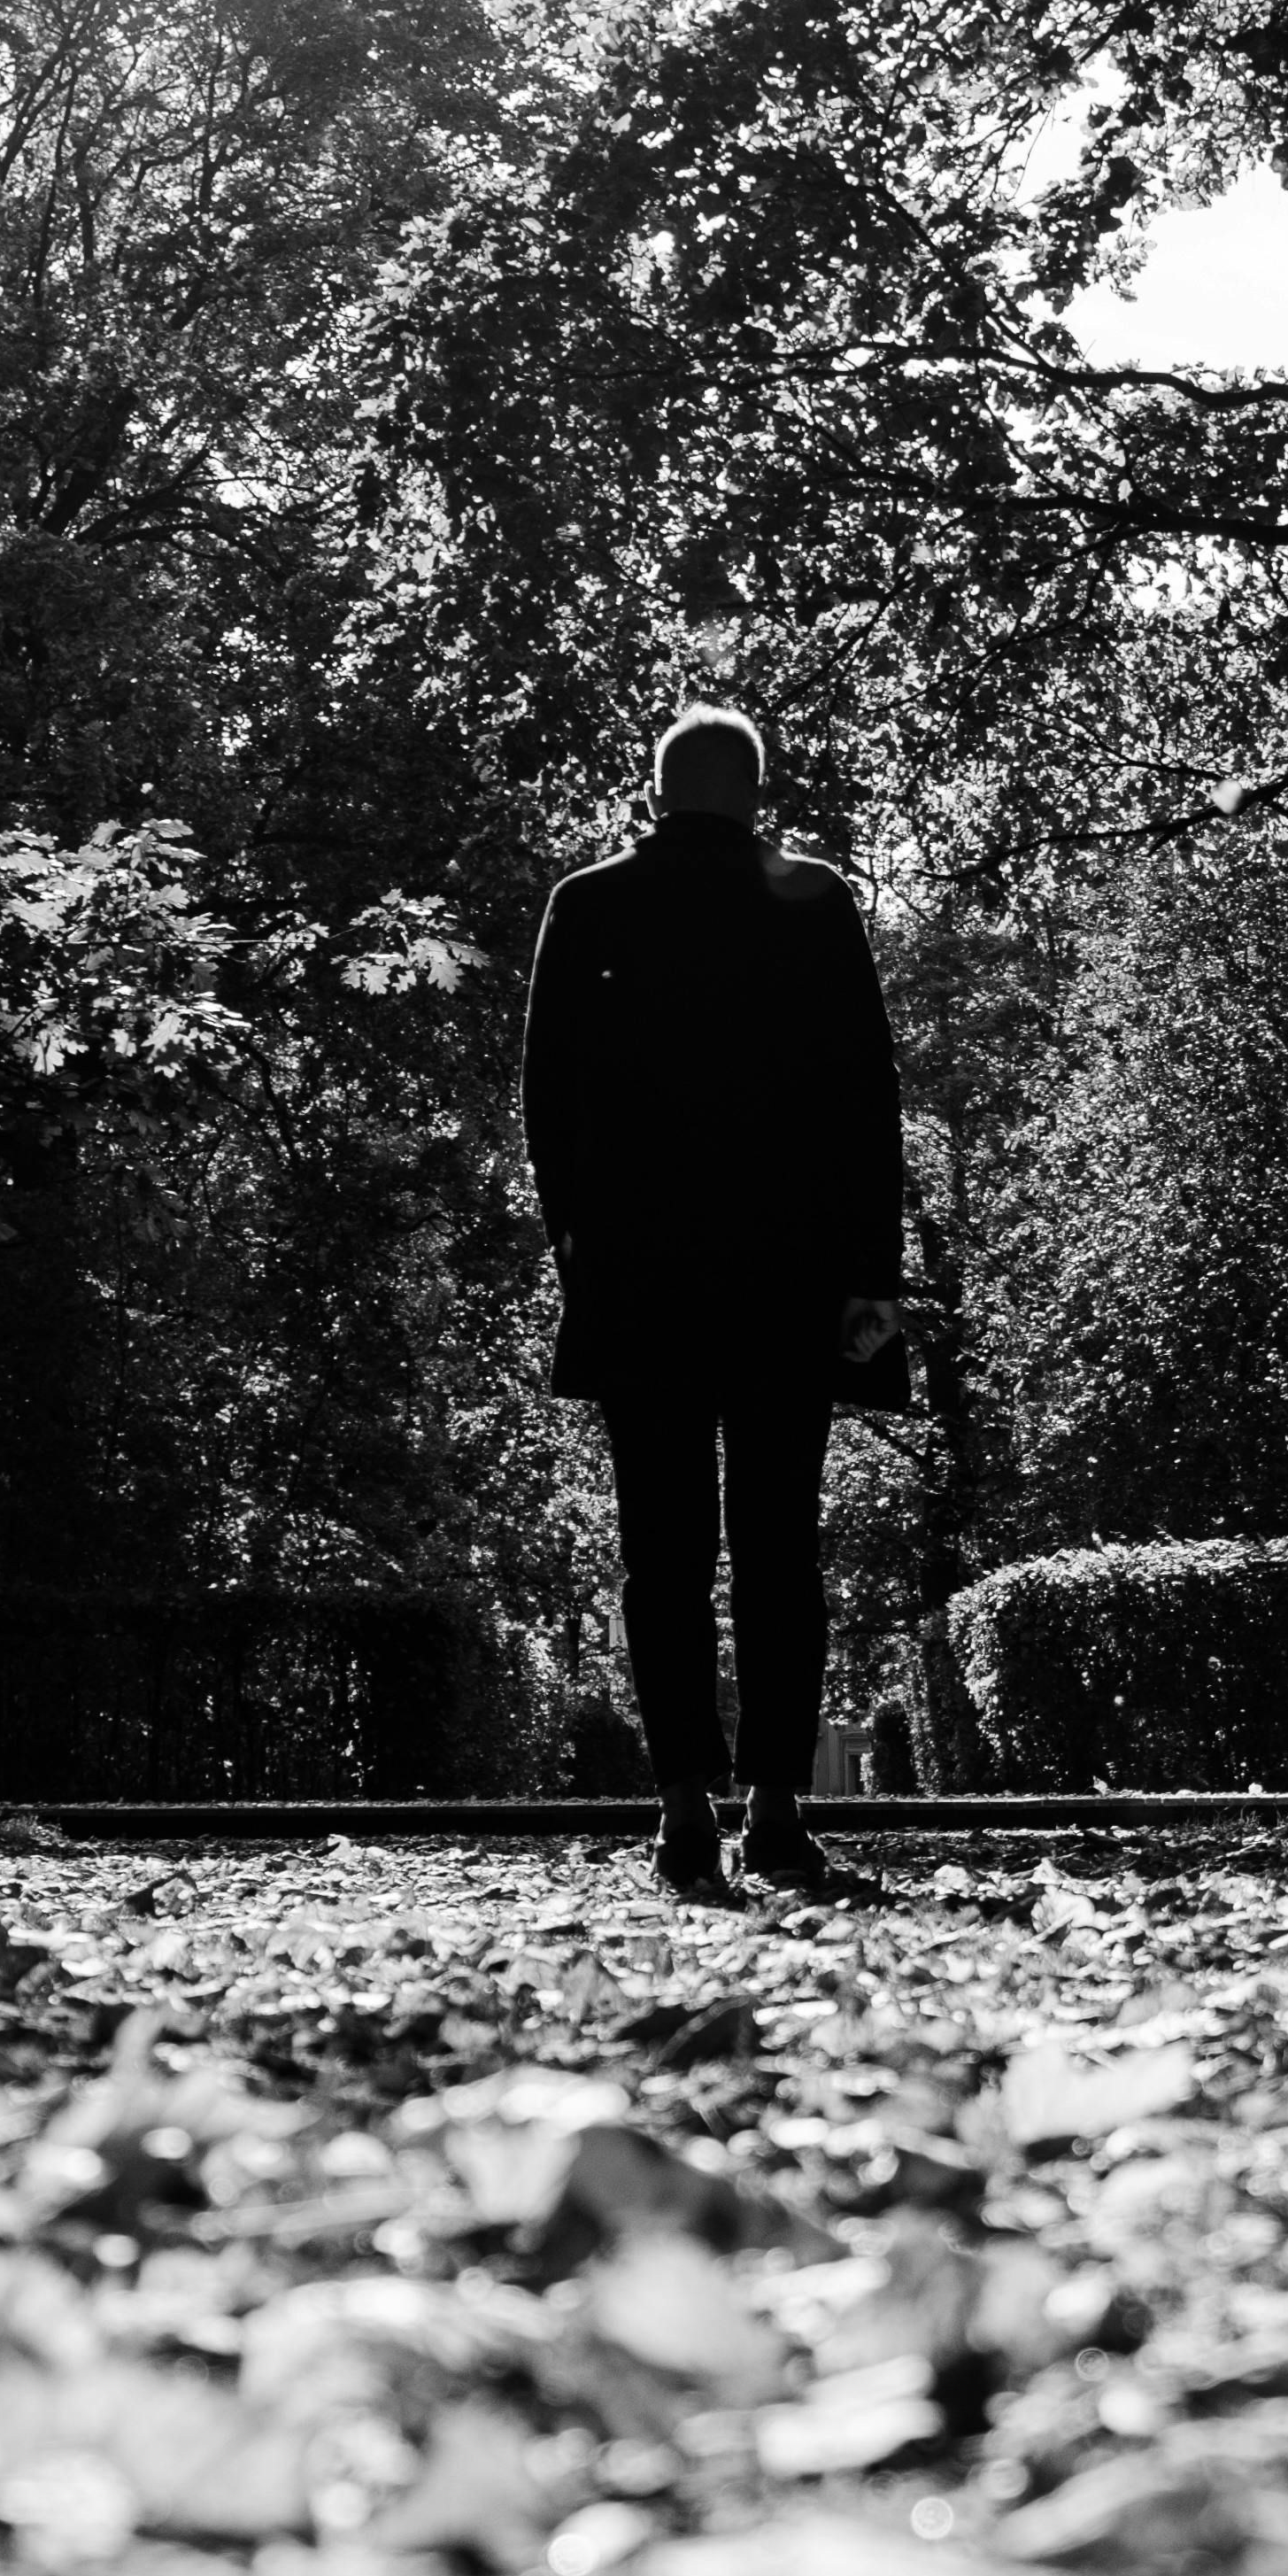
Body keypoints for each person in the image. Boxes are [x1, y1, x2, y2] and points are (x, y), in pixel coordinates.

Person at [520, 705, 906, 1903]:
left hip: (642, 1278)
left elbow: (548, 1102)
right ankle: (778, 1806)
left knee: (663, 1553)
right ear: (752, 789)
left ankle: (684, 1801)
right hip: (787, 1277)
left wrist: (580, 1254)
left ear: (657, 786)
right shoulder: (814, 901)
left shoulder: (587, 903)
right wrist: (868, 1286)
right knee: (782, 1548)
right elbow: (863, 1102)